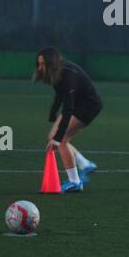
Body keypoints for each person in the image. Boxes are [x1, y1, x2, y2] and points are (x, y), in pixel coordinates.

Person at [34, 47, 101, 192]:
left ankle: (75, 182)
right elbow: (60, 95)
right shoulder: (58, 74)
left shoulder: (69, 75)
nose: (39, 68)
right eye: (38, 64)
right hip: (78, 105)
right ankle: (85, 164)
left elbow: (68, 108)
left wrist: (58, 138)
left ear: (51, 63)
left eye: (42, 64)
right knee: (53, 136)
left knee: (61, 140)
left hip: (89, 106)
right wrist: (52, 114)